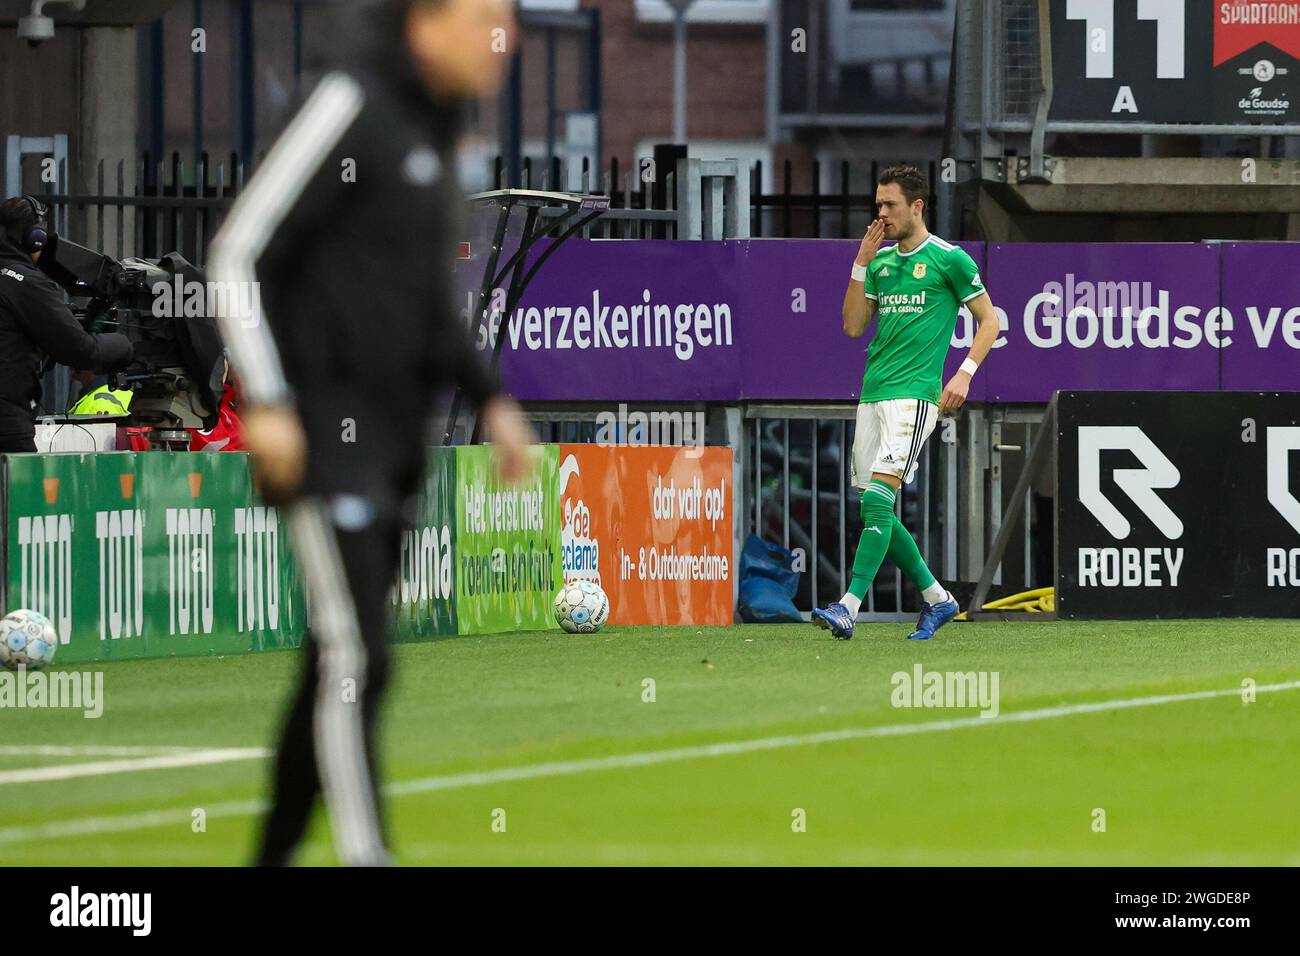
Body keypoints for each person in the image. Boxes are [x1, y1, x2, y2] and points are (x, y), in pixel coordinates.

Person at [208, 0, 531, 867]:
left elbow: (428, 306)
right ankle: (367, 854)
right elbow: (237, 254)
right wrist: (269, 403)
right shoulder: (348, 102)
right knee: (361, 659)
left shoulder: (434, 132)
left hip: (393, 448)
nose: (506, 37)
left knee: (332, 665)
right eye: (487, 18)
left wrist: (492, 401)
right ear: (426, 22)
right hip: (322, 439)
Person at [811, 164, 1000, 641]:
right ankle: (939, 599)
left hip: (915, 396)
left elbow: (990, 320)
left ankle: (848, 605)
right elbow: (853, 327)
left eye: (890, 204)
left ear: (917, 205)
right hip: (873, 393)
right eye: (878, 205)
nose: (882, 213)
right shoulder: (879, 263)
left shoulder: (949, 259)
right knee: (876, 509)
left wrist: (965, 372)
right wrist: (860, 262)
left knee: (877, 499)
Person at [0, 195, 133, 453]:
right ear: (33, 238)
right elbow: (82, 351)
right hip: (7, 428)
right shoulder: (25, 283)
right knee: (21, 493)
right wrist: (126, 345)